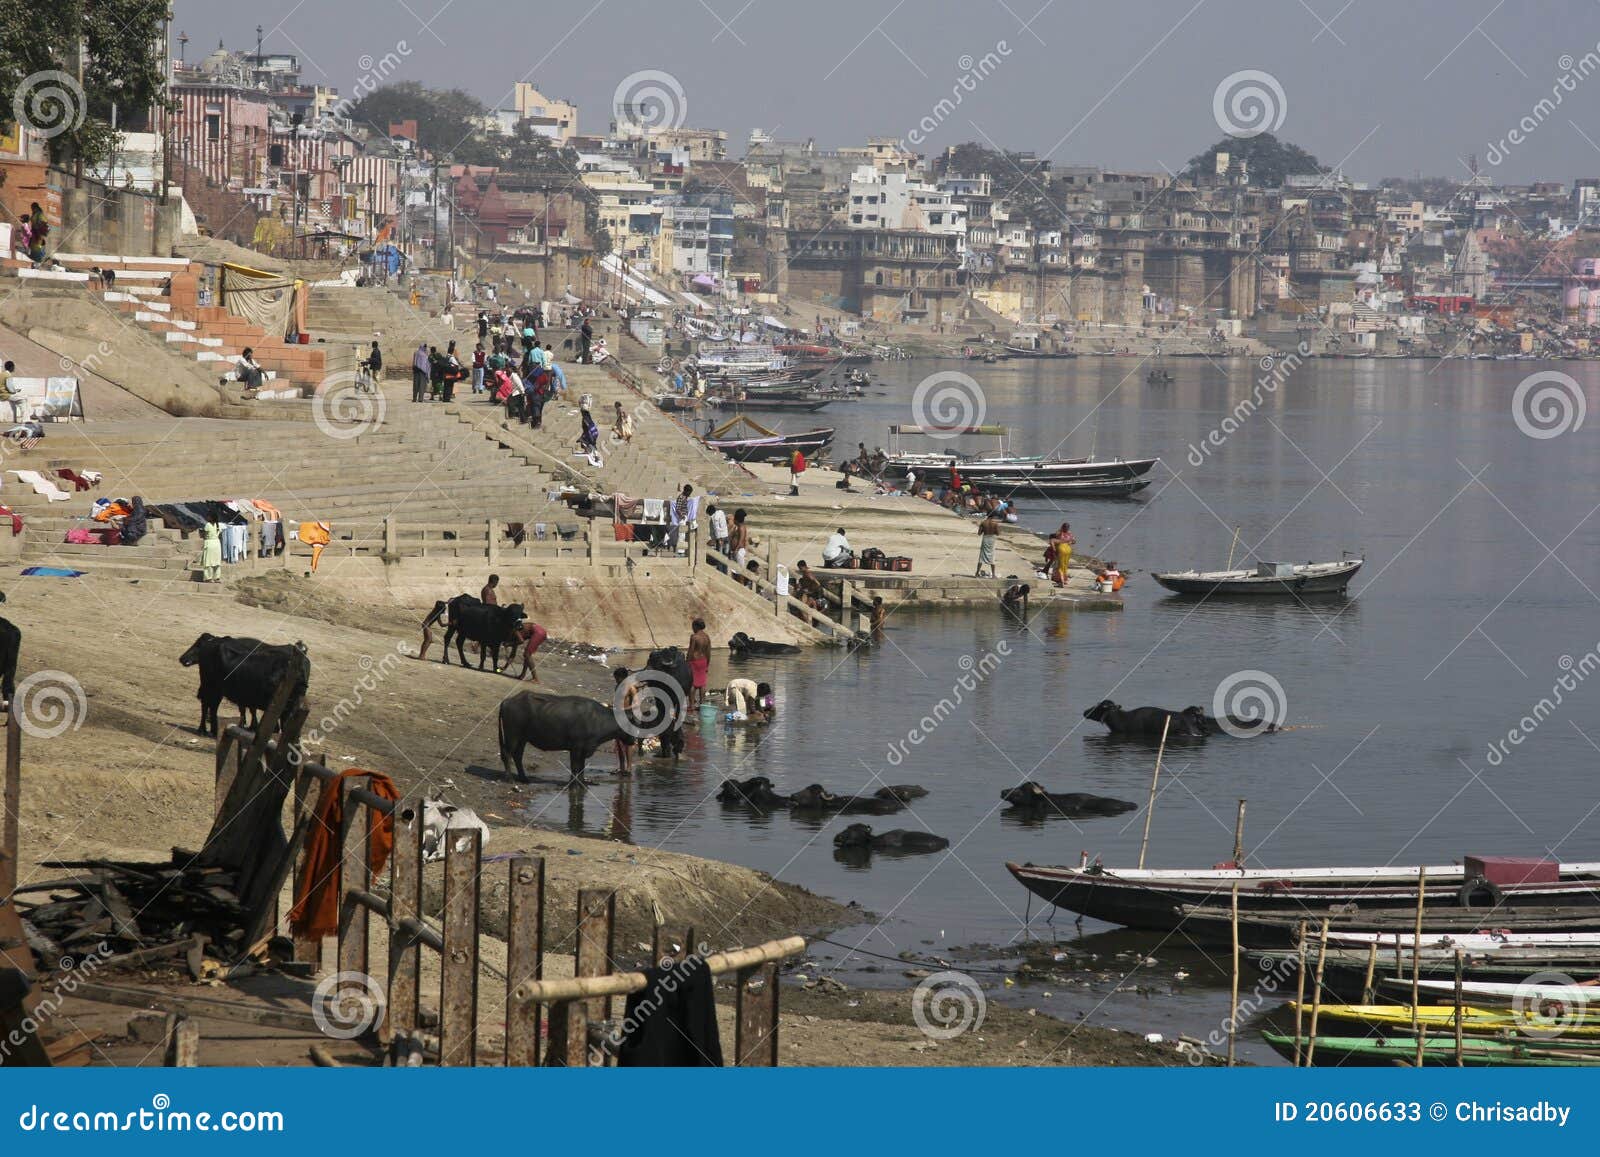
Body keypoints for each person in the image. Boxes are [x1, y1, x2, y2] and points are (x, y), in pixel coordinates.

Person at [613, 667, 636, 771]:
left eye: (617, 678)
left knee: (628, 743)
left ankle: (629, 767)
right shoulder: (617, 687)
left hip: (628, 716)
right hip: (618, 716)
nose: (616, 681)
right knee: (618, 743)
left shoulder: (631, 688)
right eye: (615, 678)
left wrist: (624, 709)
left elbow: (636, 704)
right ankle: (621, 767)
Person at [687, 618, 711, 708]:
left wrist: (687, 663)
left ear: (696, 626)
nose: (692, 628)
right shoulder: (707, 637)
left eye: (693, 626)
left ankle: (692, 705)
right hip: (703, 661)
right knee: (702, 684)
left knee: (692, 684)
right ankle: (702, 704)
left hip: (694, 661)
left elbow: (691, 651)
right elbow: (708, 652)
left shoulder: (694, 637)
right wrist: (707, 664)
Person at [1050, 522, 1075, 587]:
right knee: (1065, 565)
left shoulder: (1059, 533)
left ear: (1062, 527)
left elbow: (1052, 540)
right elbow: (1074, 541)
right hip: (1068, 549)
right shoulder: (1070, 534)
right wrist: (1069, 542)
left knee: (1060, 566)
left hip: (1061, 549)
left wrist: (1054, 549)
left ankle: (1061, 582)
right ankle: (1065, 580)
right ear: (1068, 528)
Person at [976, 512, 1000, 578]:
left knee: (981, 556)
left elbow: (979, 533)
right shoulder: (995, 524)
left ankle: (977, 573)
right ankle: (993, 575)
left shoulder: (983, 523)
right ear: (993, 517)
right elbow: (998, 533)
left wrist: (981, 527)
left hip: (985, 539)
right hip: (992, 540)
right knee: (992, 556)